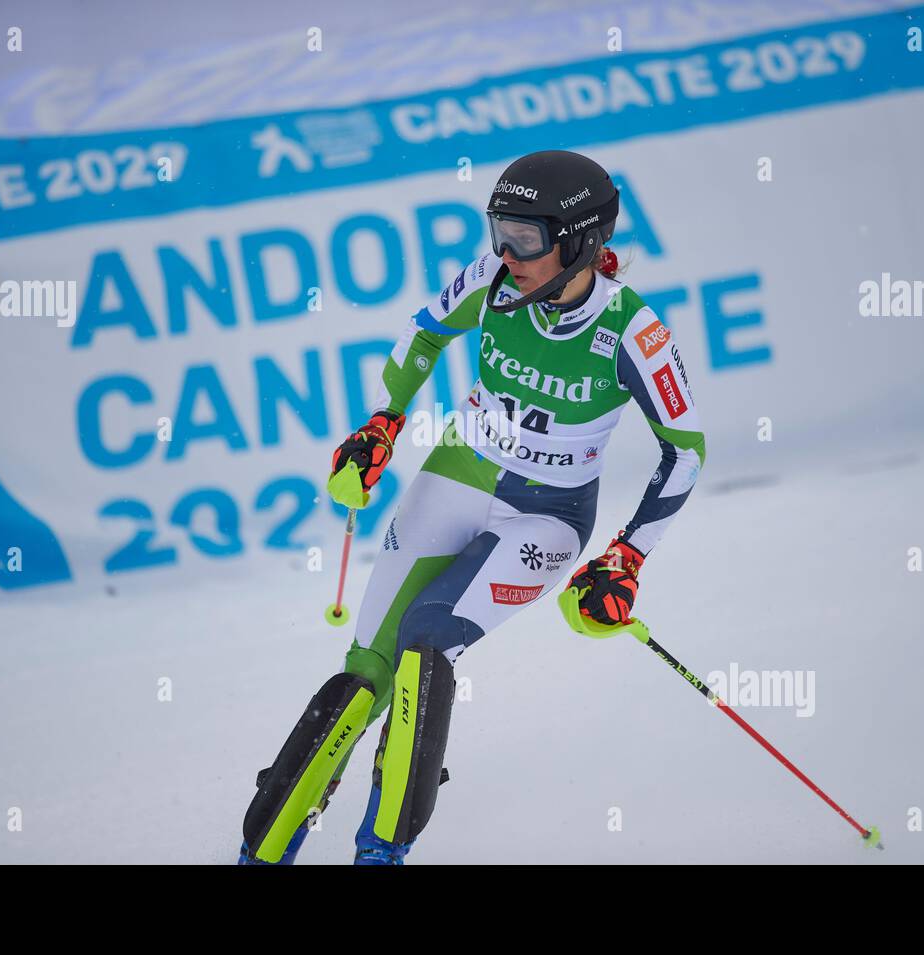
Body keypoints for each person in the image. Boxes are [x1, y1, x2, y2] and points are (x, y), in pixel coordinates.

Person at [238, 150, 705, 865]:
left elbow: (686, 449)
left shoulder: (634, 333)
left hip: (544, 518)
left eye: (524, 238)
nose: (504, 253)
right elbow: (424, 332)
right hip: (458, 473)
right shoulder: (491, 282)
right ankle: (262, 849)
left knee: (426, 645)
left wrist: (627, 555)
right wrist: (383, 423)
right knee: (366, 667)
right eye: (498, 231)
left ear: (579, 240)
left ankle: (381, 849)